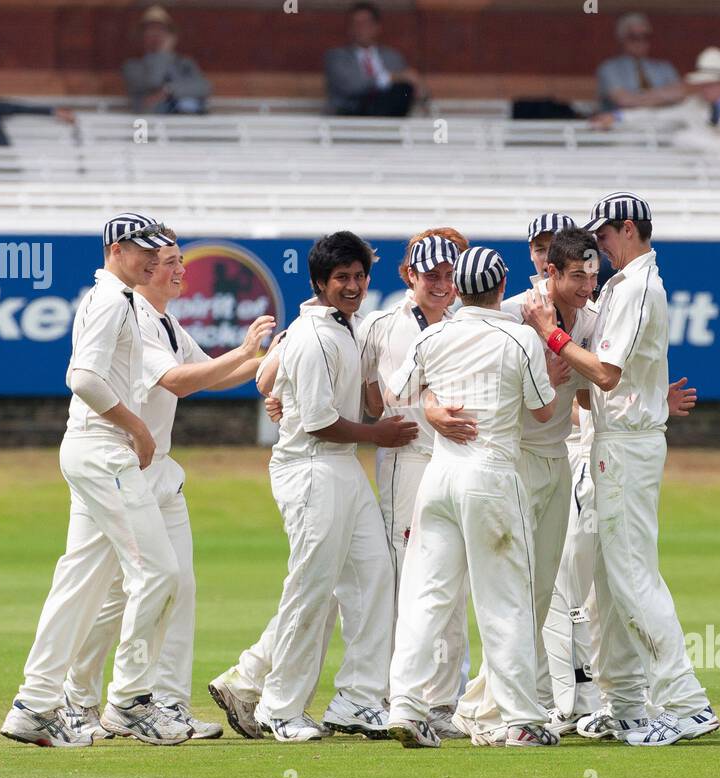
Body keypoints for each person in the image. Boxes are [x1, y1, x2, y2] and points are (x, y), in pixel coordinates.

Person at [58, 231, 276, 741]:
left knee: (171, 584)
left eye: (178, 261)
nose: (178, 270)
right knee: (124, 588)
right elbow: (177, 381)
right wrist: (246, 350)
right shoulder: (132, 318)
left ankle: (160, 703)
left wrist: (272, 357)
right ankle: (94, 699)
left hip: (154, 471)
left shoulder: (165, 321)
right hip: (122, 464)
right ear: (144, 266)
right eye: (168, 262)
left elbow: (210, 376)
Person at [522, 192, 719, 747]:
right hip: (619, 438)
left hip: (626, 445)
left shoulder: (637, 285)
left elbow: (606, 374)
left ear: (627, 229)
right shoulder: (621, 284)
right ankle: (629, 703)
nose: (599, 246)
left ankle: (686, 703)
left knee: (632, 576)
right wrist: (654, 394)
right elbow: (616, 379)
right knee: (611, 583)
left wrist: (549, 332)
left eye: (604, 235)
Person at [0, 213, 191, 747]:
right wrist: (138, 430)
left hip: (93, 451)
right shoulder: (110, 300)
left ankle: (35, 704)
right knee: (158, 572)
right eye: (143, 251)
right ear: (114, 248)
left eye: (159, 251)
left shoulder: (120, 299)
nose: (154, 260)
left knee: (79, 585)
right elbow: (81, 377)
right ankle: (130, 701)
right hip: (104, 453)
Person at [233, 232, 416, 743]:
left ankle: (358, 699)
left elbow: (268, 378)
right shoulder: (313, 336)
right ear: (320, 283)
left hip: (341, 467)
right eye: (342, 279)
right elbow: (317, 421)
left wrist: (278, 388)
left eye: (359, 277)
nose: (353, 286)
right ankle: (278, 706)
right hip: (311, 465)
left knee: (374, 576)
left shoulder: (342, 327)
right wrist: (375, 434)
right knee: (311, 589)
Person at [386, 246, 558, 749]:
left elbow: (399, 392)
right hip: (492, 475)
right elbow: (544, 411)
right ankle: (521, 718)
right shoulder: (520, 335)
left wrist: (435, 402)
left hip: (439, 477)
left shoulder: (434, 333)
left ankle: (405, 706)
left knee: (426, 595)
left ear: (458, 288)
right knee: (504, 599)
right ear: (501, 287)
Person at [442, 227, 595, 745]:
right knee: (516, 590)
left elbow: (592, 394)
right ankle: (500, 712)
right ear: (551, 273)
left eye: (593, 275)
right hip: (514, 459)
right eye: (578, 276)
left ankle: (481, 705)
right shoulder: (514, 312)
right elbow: (456, 368)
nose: (588, 286)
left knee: (542, 588)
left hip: (558, 457)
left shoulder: (590, 319)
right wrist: (433, 409)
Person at [359, 230, 473, 737]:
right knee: (406, 579)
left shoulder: (468, 322)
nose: (442, 285)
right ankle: (398, 696)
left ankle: (445, 700)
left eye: (450, 275)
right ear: (410, 275)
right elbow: (361, 388)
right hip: (405, 459)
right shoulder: (383, 325)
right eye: (432, 276)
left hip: (456, 458)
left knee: (454, 581)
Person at [325, 2, 423, 117]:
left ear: (377, 27)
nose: (361, 28)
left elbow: (405, 91)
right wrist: (391, 77)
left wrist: (418, 87)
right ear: (350, 28)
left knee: (404, 89)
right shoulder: (336, 57)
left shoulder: (393, 57)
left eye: (366, 23)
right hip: (351, 115)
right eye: (356, 23)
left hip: (388, 115)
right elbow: (353, 86)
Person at [122, 5, 211, 115]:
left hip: (186, 123)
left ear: (170, 34)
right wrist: (162, 54)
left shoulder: (184, 63)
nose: (156, 34)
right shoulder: (133, 66)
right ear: (142, 35)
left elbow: (203, 87)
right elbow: (153, 82)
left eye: (161, 29)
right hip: (151, 122)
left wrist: (169, 90)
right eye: (151, 29)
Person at [595, 13, 683, 113]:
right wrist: (662, 95)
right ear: (622, 39)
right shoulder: (608, 68)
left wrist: (638, 97)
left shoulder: (664, 67)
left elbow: (678, 93)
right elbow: (624, 101)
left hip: (662, 121)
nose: (640, 42)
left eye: (645, 37)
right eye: (634, 37)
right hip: (623, 124)